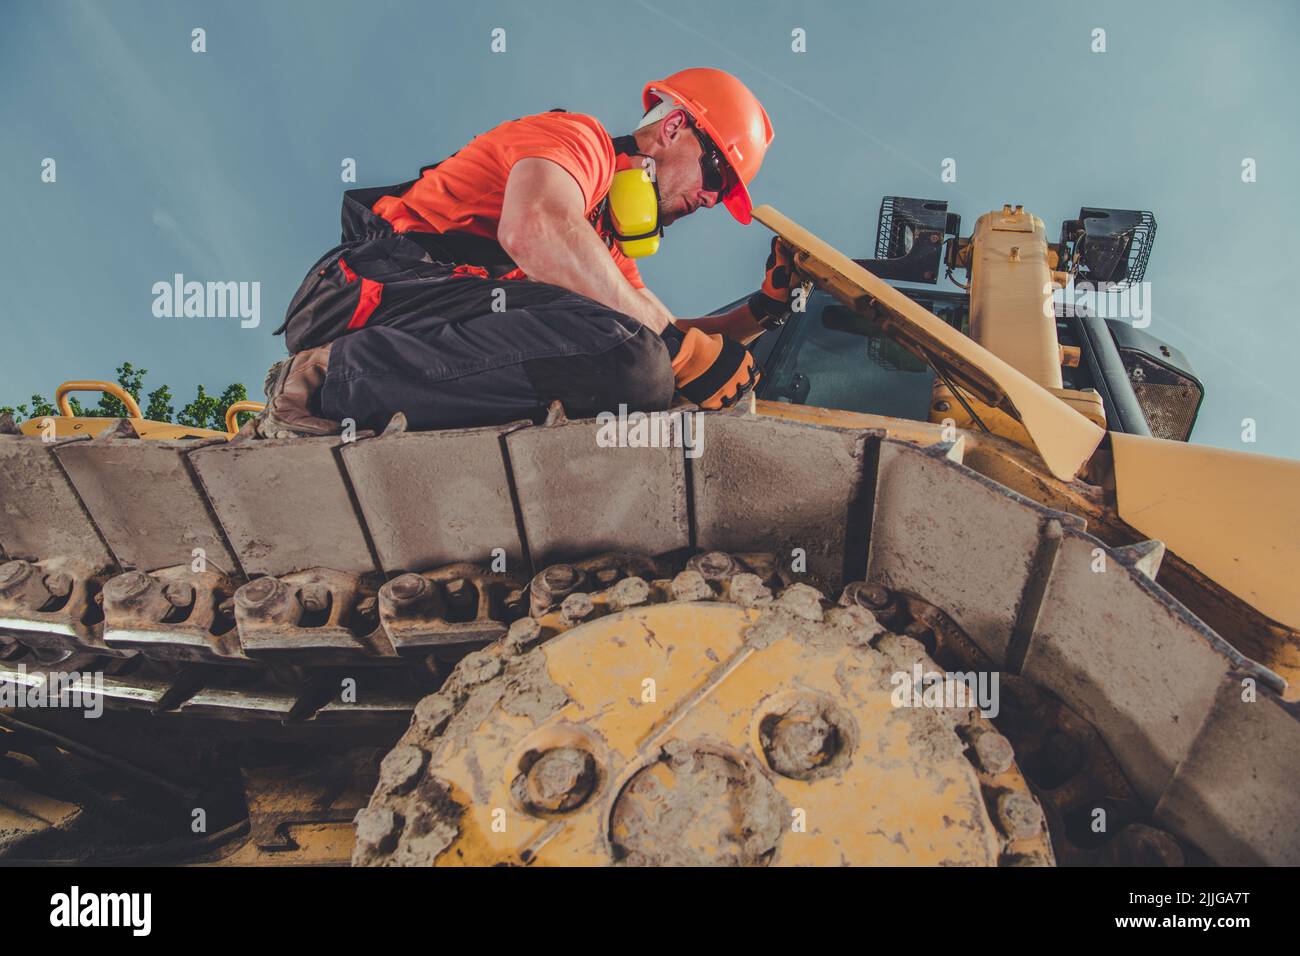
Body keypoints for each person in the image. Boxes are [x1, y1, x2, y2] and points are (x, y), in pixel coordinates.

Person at [258, 67, 802, 438]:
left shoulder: (601, 246)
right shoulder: (576, 140)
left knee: (635, 361)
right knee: (641, 359)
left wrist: (763, 308)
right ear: (674, 127)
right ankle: (324, 382)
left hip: (429, 319)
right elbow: (535, 227)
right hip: (375, 290)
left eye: (723, 193)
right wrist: (679, 352)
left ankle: (362, 389)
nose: (710, 198)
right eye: (716, 173)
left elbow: (655, 326)